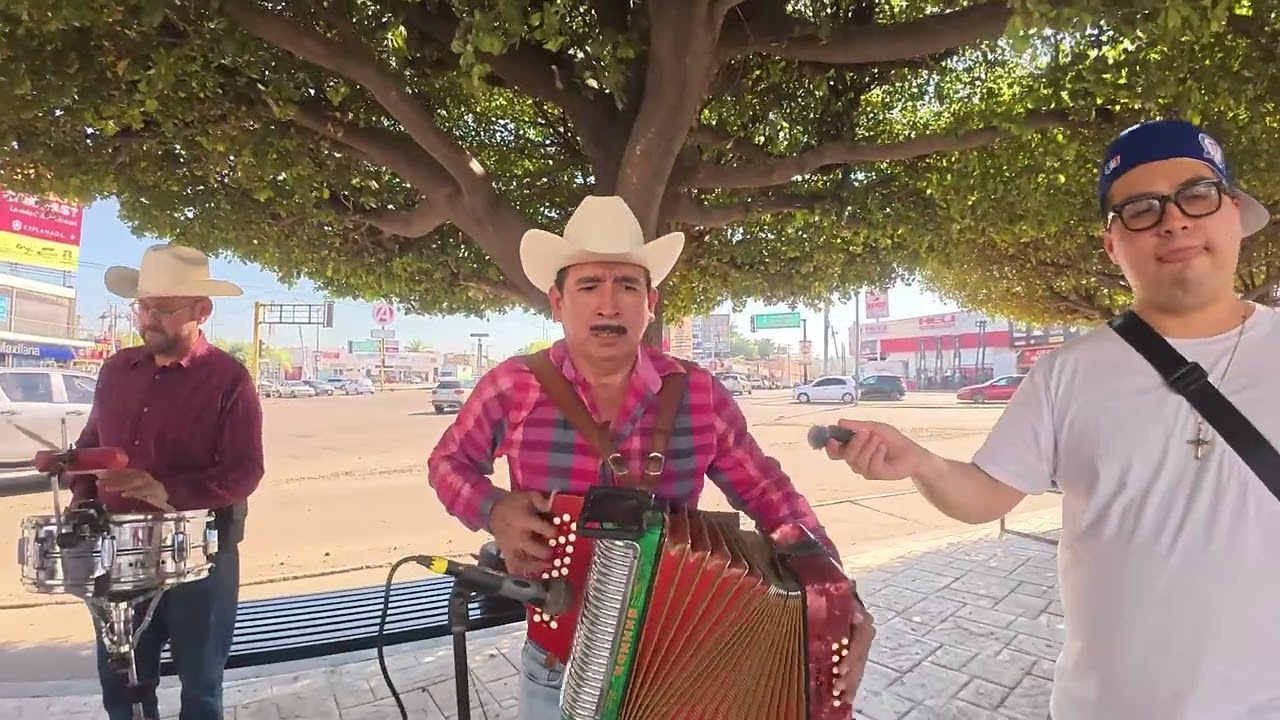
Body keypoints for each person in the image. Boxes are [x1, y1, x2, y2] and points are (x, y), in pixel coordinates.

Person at [826, 119, 1279, 719]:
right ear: (1113, 245)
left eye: (1196, 195)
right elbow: (987, 495)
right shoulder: (1067, 373)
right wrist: (923, 463)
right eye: (1141, 209)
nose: (1174, 220)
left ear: (1235, 214)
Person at [428, 195, 874, 719]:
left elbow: (769, 494)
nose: (609, 304)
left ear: (650, 302)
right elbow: (448, 463)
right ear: (557, 301)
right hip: (558, 668)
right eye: (589, 285)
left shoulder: (701, 394)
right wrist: (494, 510)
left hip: (681, 669)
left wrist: (836, 588)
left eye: (627, 285)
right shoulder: (513, 384)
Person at [70, 244, 265, 720]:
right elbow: (91, 443)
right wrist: (78, 488)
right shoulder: (116, 370)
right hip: (116, 552)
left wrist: (167, 492)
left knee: (200, 689)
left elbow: (246, 471)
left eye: (164, 308)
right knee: (122, 684)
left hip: (200, 555)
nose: (149, 319)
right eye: (143, 306)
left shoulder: (228, 379)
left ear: (202, 311)